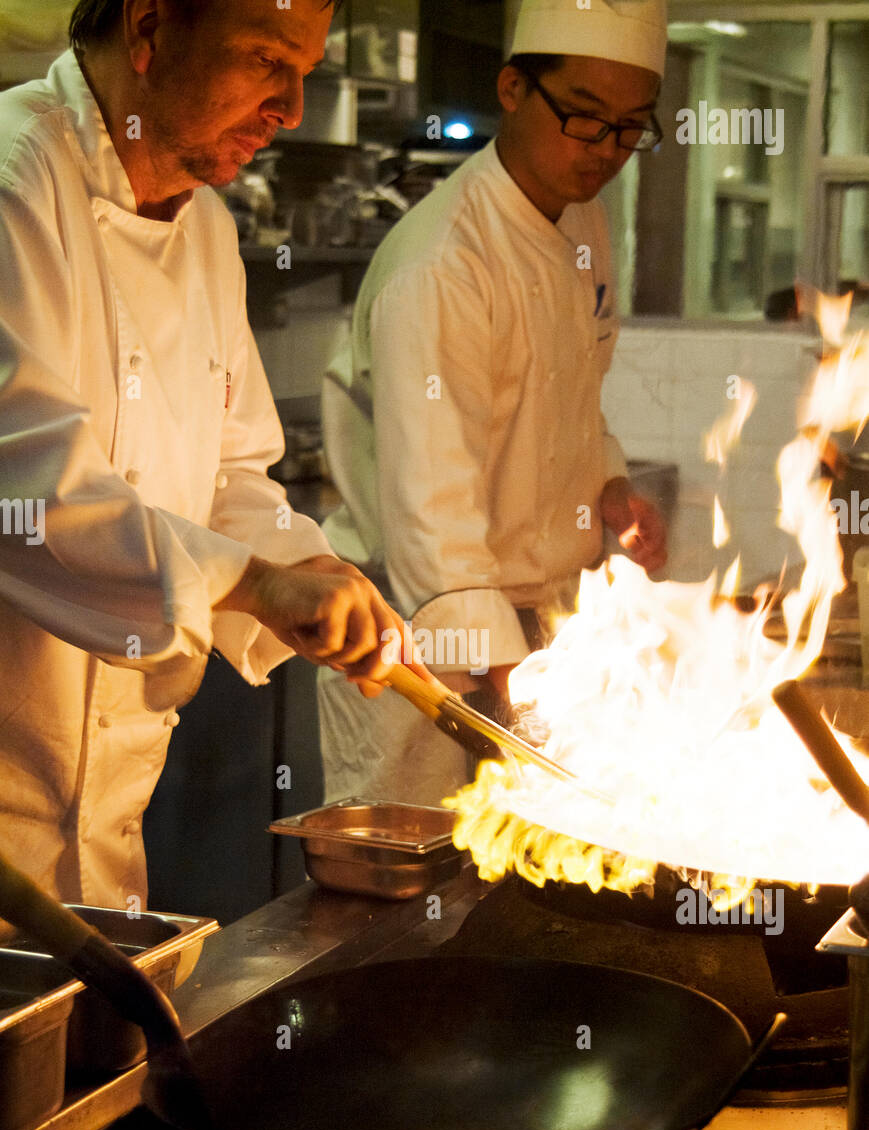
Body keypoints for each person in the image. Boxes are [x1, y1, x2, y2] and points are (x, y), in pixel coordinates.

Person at [0, 0, 409, 910]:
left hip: (110, 815)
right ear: (148, 28)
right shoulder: (12, 179)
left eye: (306, 68)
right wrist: (252, 586)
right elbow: (23, 491)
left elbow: (230, 471)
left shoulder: (209, 227)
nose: (293, 107)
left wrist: (302, 562)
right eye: (265, 58)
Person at [318, 0, 670, 806]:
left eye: (629, 129)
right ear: (512, 88)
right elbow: (432, 516)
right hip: (420, 639)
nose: (605, 152)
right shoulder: (443, 265)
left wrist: (607, 487)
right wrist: (525, 698)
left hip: (539, 623)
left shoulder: (583, 217)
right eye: (583, 119)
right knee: (417, 889)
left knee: (538, 881)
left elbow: (574, 392)